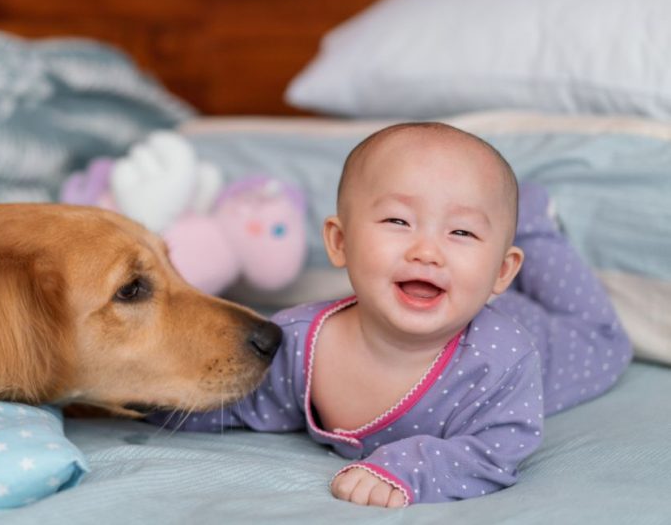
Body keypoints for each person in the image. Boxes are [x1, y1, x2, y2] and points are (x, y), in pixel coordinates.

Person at [151, 122, 632, 507]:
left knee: (605, 339)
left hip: (543, 338)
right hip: (468, 293)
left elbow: (498, 448)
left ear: (503, 272)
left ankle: (531, 224)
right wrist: (146, 396)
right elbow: (239, 396)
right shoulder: (300, 341)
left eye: (461, 231)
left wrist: (407, 467)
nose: (427, 251)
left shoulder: (504, 357)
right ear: (339, 242)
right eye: (398, 221)